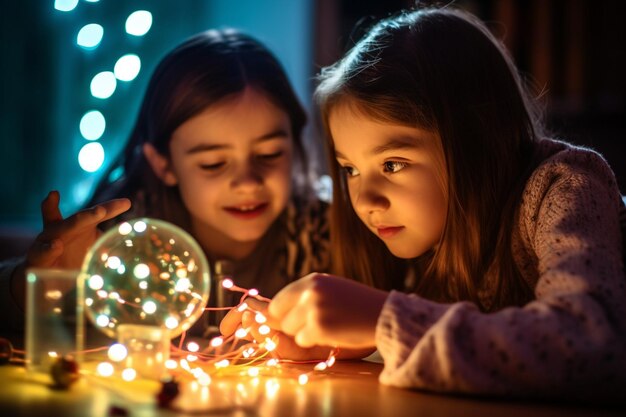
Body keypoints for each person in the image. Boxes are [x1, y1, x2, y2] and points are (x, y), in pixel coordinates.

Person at [233, 7, 626, 401]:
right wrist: (343, 343)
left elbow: (593, 342)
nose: (365, 200)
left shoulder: (564, 185)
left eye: (392, 164)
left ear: (475, 145)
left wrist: (383, 321)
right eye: (350, 169)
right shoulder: (417, 238)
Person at [0, 29, 332, 337]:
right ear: (163, 164)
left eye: (270, 153)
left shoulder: (330, 233)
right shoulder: (119, 240)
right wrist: (37, 288)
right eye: (213, 163)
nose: (247, 182)